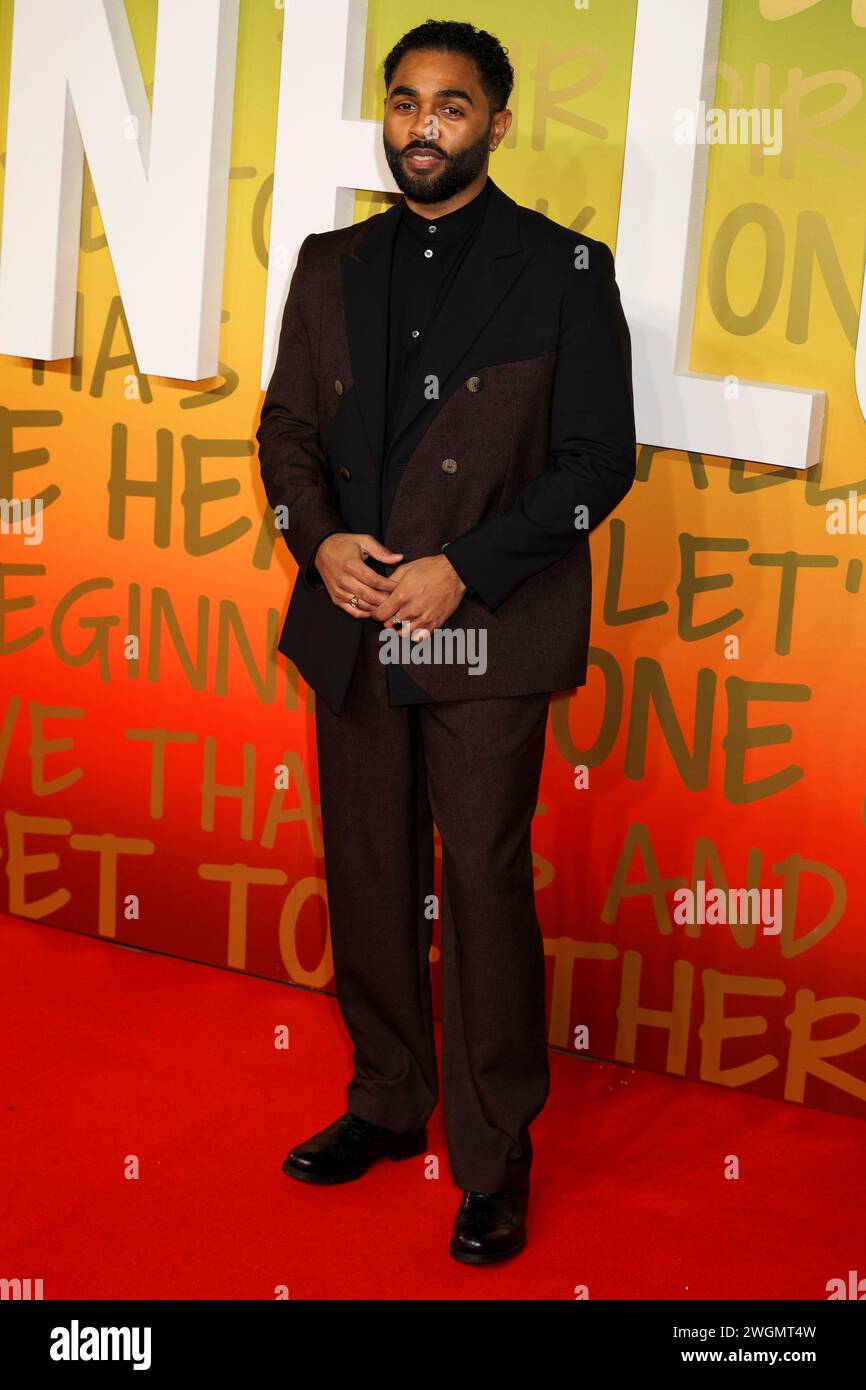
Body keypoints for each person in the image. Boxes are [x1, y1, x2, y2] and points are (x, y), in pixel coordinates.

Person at [256, 18, 636, 1265]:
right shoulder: (330, 261)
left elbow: (595, 465)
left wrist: (455, 570)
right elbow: (284, 434)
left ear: (497, 121)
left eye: (451, 106)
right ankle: (381, 1100)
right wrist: (316, 541)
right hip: (355, 621)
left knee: (476, 882)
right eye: (406, 100)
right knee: (366, 868)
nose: (423, 124)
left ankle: (491, 1155)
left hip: (482, 630)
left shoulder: (564, 272)